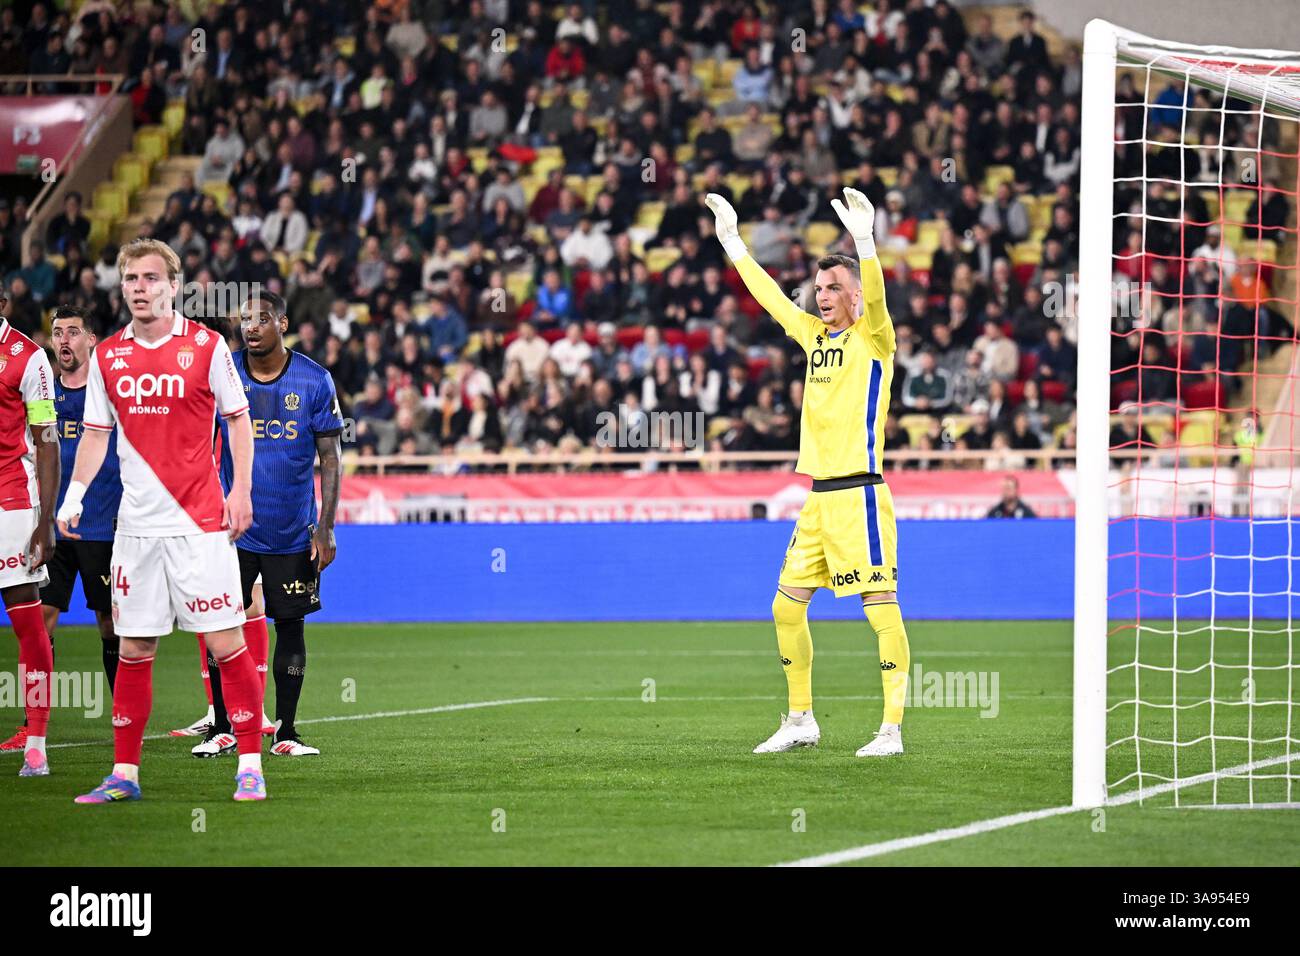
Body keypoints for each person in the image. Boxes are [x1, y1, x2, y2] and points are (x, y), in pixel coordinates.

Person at [705, 188, 911, 759]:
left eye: (832, 288)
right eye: (818, 288)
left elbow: (877, 297)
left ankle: (890, 729)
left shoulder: (876, 340)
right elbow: (772, 299)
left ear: (853, 295)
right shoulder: (814, 339)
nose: (822, 297)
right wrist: (733, 243)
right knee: (785, 606)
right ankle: (800, 719)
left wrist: (866, 245)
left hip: (862, 495)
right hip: (819, 499)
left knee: (880, 610)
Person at [58, 238, 265, 803]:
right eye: (131, 279)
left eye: (151, 278)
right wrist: (74, 493)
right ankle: (125, 775)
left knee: (225, 644)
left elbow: (238, 421)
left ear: (174, 285)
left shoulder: (207, 346)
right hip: (135, 531)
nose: (140, 288)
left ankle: (250, 761)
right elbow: (97, 433)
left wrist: (241, 491)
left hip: (199, 524)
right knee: (133, 652)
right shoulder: (108, 356)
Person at [182, 291, 343, 758]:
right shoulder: (222, 371)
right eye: (245, 319)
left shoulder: (315, 380)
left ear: (283, 323)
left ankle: (287, 733)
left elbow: (330, 459)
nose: (251, 327)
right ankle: (223, 728)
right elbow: (197, 444)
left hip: (293, 531)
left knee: (290, 628)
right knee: (219, 623)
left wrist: (326, 527)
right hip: (232, 531)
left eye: (262, 319)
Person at [33, 308, 122, 739]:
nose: (64, 340)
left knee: (109, 622)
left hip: (102, 525)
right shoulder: (42, 394)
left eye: (72, 332)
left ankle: (125, 714)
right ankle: (34, 726)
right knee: (41, 619)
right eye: (56, 333)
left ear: (90, 338)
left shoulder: (109, 396)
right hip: (51, 527)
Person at [0, 280, 60, 778]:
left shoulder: (28, 358)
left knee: (27, 621)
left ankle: (36, 738)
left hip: (11, 503)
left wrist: (44, 521)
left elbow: (46, 439)